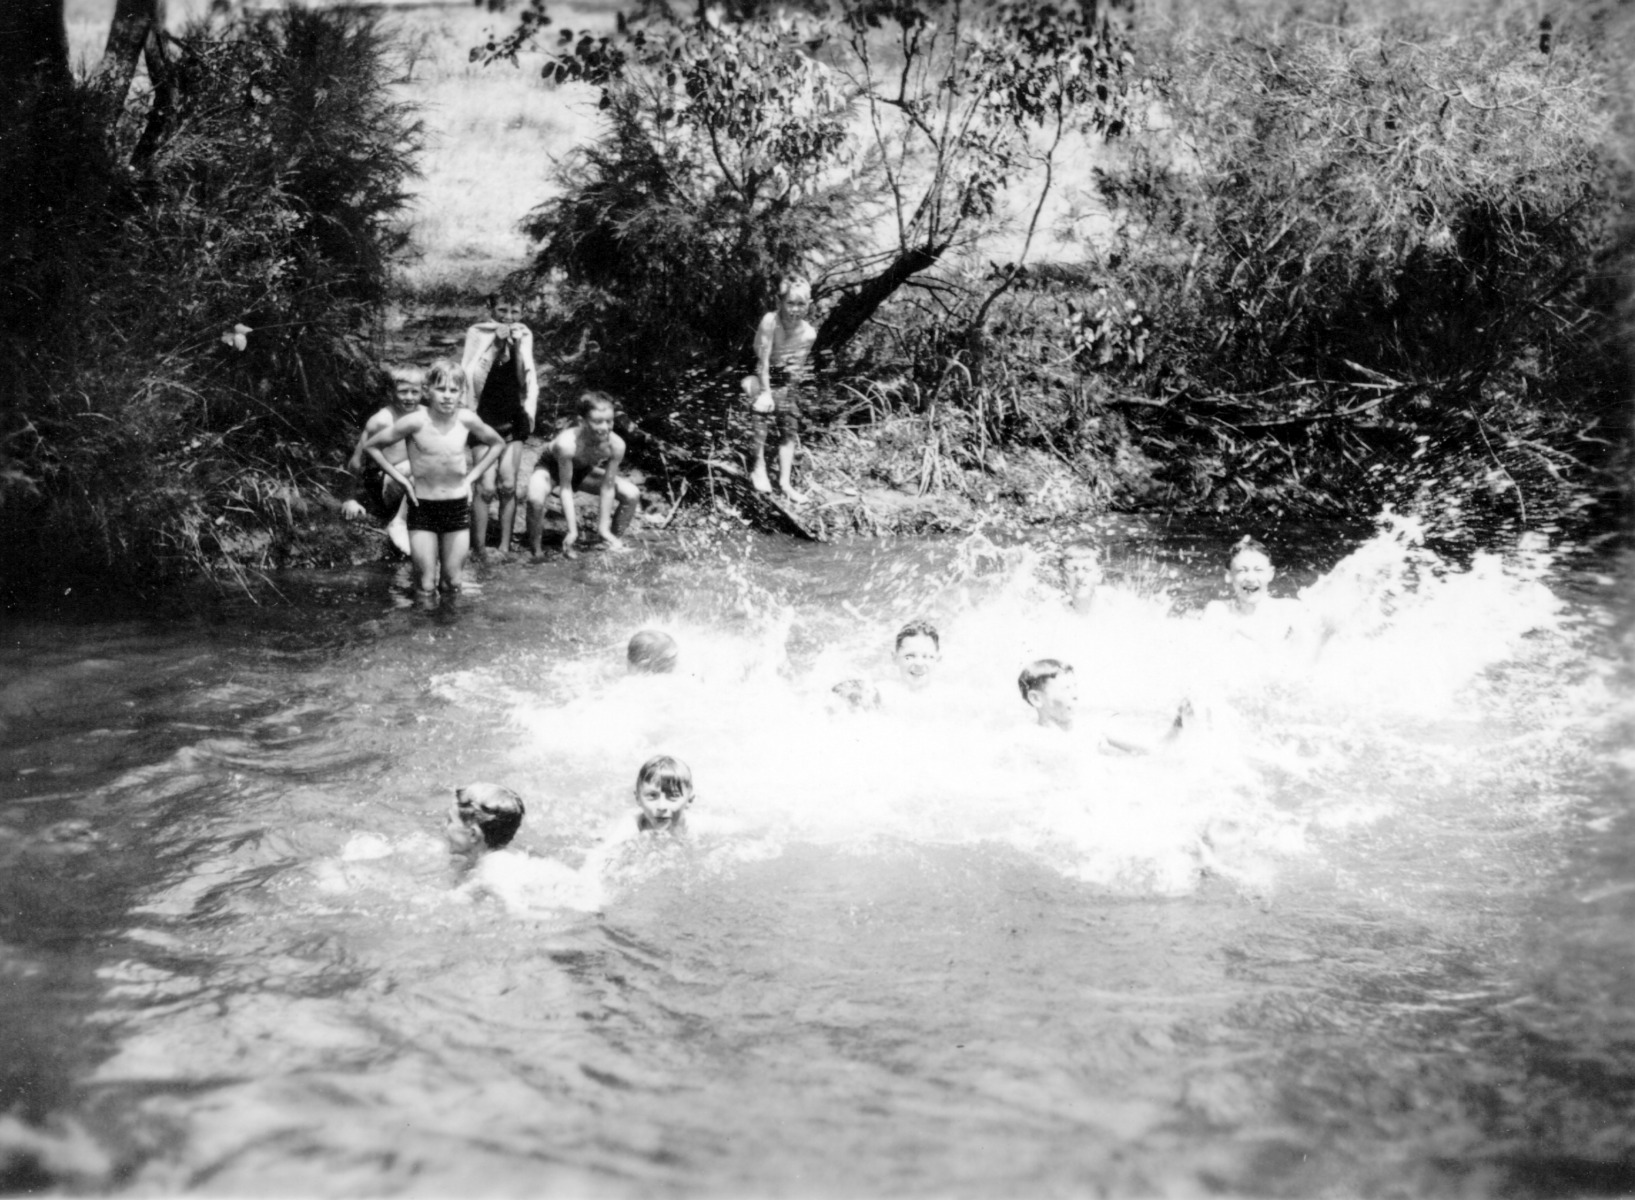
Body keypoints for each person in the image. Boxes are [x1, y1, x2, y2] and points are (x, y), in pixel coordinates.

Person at [363, 359, 505, 595]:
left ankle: (449, 619)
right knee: (425, 584)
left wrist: (471, 479)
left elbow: (497, 443)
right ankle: (423, 619)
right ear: (427, 391)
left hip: (457, 507)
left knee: (452, 582)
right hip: (422, 507)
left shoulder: (466, 419)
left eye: (453, 390)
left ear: (462, 393)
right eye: (441, 389)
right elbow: (371, 446)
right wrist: (402, 480)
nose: (447, 396)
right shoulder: (415, 421)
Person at [461, 287, 540, 557]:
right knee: (485, 487)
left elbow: (523, 377)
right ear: (490, 309)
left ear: (522, 312)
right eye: (502, 310)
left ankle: (505, 547)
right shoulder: (477, 332)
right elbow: (472, 374)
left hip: (512, 416)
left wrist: (514, 346)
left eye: (514, 311)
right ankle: (479, 550)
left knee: (508, 486)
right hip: (483, 417)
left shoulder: (524, 334)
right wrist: (496, 343)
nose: (508, 316)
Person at [525, 390, 639, 559]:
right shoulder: (567, 443)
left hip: (582, 471)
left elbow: (607, 488)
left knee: (632, 493)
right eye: (598, 422)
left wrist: (603, 528)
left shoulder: (616, 445)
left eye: (609, 421)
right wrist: (572, 531)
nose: (605, 428)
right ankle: (536, 551)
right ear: (582, 421)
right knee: (535, 498)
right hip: (550, 469)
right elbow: (565, 489)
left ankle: (609, 542)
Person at [741, 277, 816, 501]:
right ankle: (759, 467)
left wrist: (786, 398)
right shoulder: (770, 321)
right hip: (755, 371)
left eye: (801, 304)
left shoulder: (809, 334)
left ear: (809, 305)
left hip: (782, 377)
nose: (795, 310)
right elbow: (762, 362)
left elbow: (795, 370)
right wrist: (766, 393)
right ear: (780, 302)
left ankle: (785, 484)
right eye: (790, 303)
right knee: (761, 405)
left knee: (789, 423)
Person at [1017, 658, 1191, 753]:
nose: (1075, 695)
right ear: (1036, 699)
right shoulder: (1025, 737)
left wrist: (1178, 725)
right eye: (1066, 689)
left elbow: (1155, 749)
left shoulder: (1092, 730)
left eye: (1075, 687)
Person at [340, 365, 422, 555]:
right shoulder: (382, 421)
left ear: (423, 392)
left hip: (417, 483)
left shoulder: (426, 415)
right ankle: (398, 522)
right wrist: (349, 498)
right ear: (392, 392)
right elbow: (357, 461)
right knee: (419, 466)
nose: (409, 397)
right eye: (403, 392)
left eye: (414, 392)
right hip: (390, 485)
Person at [1201, 536, 1313, 651]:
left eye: (1258, 570)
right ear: (1229, 575)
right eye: (1242, 570)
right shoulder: (1218, 612)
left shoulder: (1291, 611)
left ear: (1270, 574)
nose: (1250, 578)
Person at [443, 783, 526, 856]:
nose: (443, 825)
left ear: (473, 834)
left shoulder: (490, 869)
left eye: (450, 820)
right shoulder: (513, 857)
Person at [633, 754, 694, 835]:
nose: (661, 807)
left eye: (673, 796)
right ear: (638, 798)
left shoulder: (696, 828)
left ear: (689, 800)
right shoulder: (630, 827)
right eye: (652, 796)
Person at [891, 619, 941, 692]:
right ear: (895, 658)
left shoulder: (949, 695)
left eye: (926, 656)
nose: (919, 663)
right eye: (910, 656)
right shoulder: (881, 694)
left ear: (938, 659)